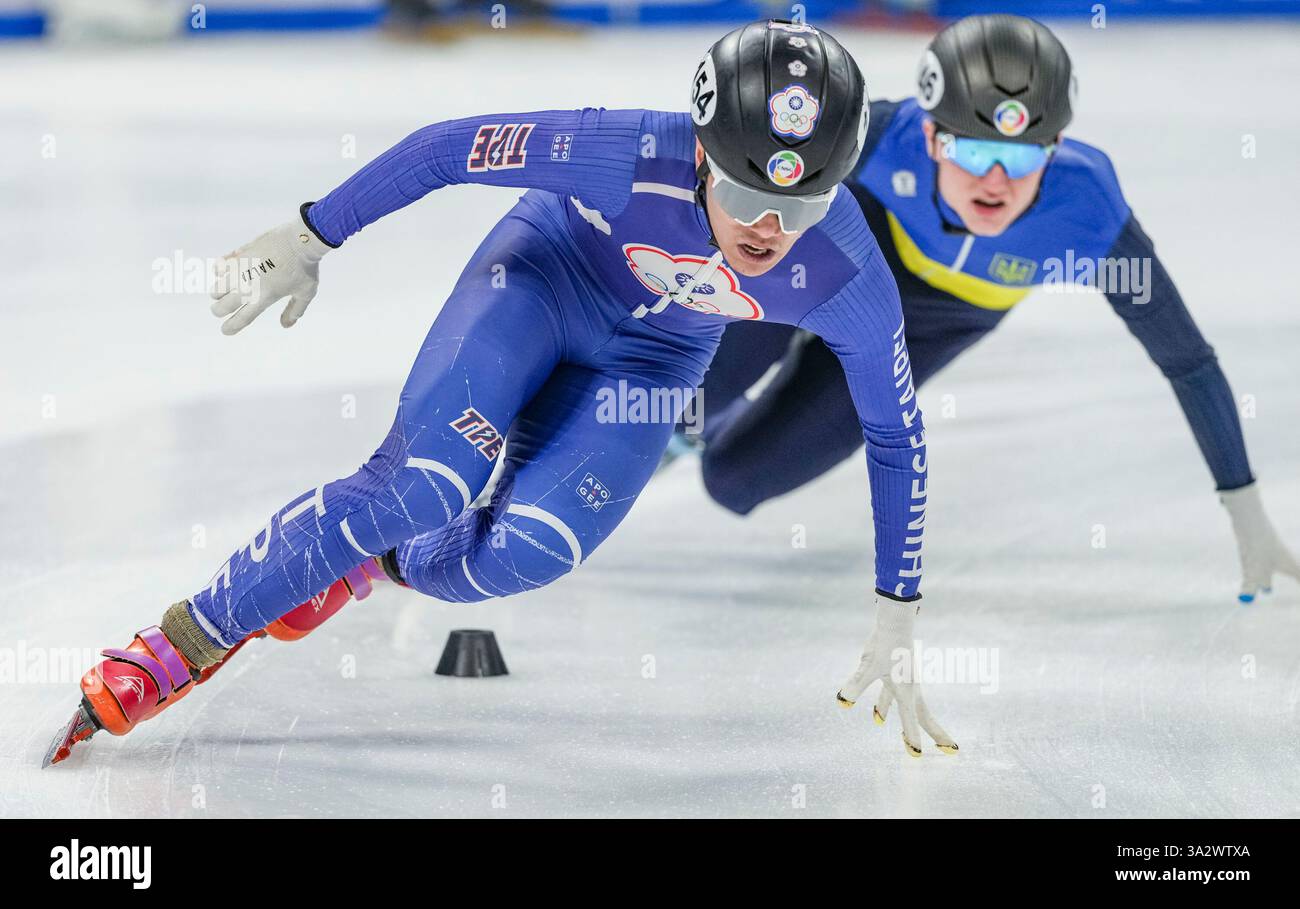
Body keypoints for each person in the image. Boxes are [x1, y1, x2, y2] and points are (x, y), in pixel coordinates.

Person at [45, 19, 955, 766]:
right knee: (420, 484)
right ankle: (176, 644)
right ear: (705, 157)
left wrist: (897, 601)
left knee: (532, 550)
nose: (769, 230)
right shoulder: (626, 150)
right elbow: (450, 149)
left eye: (802, 205)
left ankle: (373, 563)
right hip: (540, 284)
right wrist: (311, 233)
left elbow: (894, 433)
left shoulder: (845, 270)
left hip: (651, 368)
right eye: (752, 192)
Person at [688, 14, 1298, 603]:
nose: (997, 181)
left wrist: (1243, 504)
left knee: (734, 480)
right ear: (930, 137)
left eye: (1026, 156)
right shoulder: (876, 135)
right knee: (693, 393)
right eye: (974, 154)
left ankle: (702, 431)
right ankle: (686, 420)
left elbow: (1186, 359)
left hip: (929, 327)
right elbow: (727, 173)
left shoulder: (1088, 213)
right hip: (831, 272)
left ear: (1055, 148)